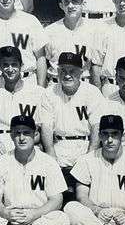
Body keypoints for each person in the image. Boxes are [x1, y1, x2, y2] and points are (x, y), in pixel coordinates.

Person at [40, 52, 107, 183]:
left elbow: (96, 126)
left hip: (84, 145)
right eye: (63, 70)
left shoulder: (92, 92)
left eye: (72, 71)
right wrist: (51, 154)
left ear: (81, 72)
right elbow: (46, 127)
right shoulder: (49, 93)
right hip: (59, 146)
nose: (67, 75)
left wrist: (89, 156)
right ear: (57, 71)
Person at [0, 46, 52, 158]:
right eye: (5, 65)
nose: (10, 69)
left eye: (14, 64)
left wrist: (29, 141)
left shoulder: (37, 92)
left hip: (27, 140)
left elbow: (42, 128)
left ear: (22, 66)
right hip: (0, 141)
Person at [43, 0, 101, 87]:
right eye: (66, 2)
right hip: (56, 85)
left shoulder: (94, 31)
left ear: (83, 4)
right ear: (61, 5)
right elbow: (43, 63)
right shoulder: (49, 31)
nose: (70, 6)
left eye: (75, 1)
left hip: (83, 83)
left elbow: (95, 66)